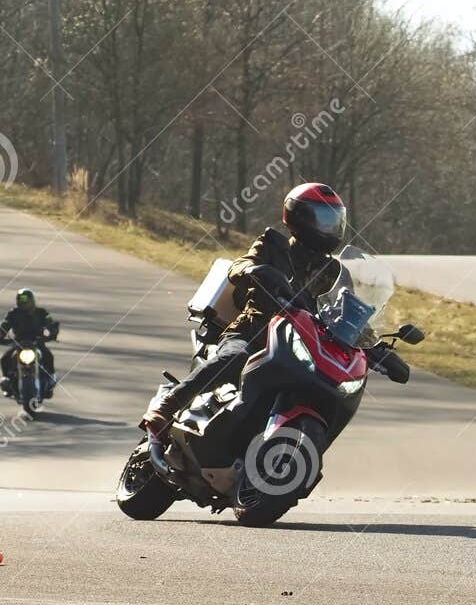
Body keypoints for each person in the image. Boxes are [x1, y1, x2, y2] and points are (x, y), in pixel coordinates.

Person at [141, 182, 347, 434]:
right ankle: (167, 405)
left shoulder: (332, 271)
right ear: (299, 215)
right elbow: (239, 265)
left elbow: (343, 306)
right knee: (236, 357)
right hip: (253, 334)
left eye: (334, 219)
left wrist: (372, 342)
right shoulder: (273, 246)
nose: (331, 227)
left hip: (300, 350)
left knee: (324, 389)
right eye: (324, 218)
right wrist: (253, 270)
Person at [0, 288, 59, 398]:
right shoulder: (13, 313)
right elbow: (5, 324)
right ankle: (7, 382)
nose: (23, 302)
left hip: (37, 341)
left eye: (25, 300)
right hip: (19, 342)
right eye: (20, 299)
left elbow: (49, 322)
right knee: (5, 358)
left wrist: (53, 332)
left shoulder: (41, 312)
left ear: (32, 300)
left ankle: (50, 382)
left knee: (49, 356)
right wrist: (0, 336)